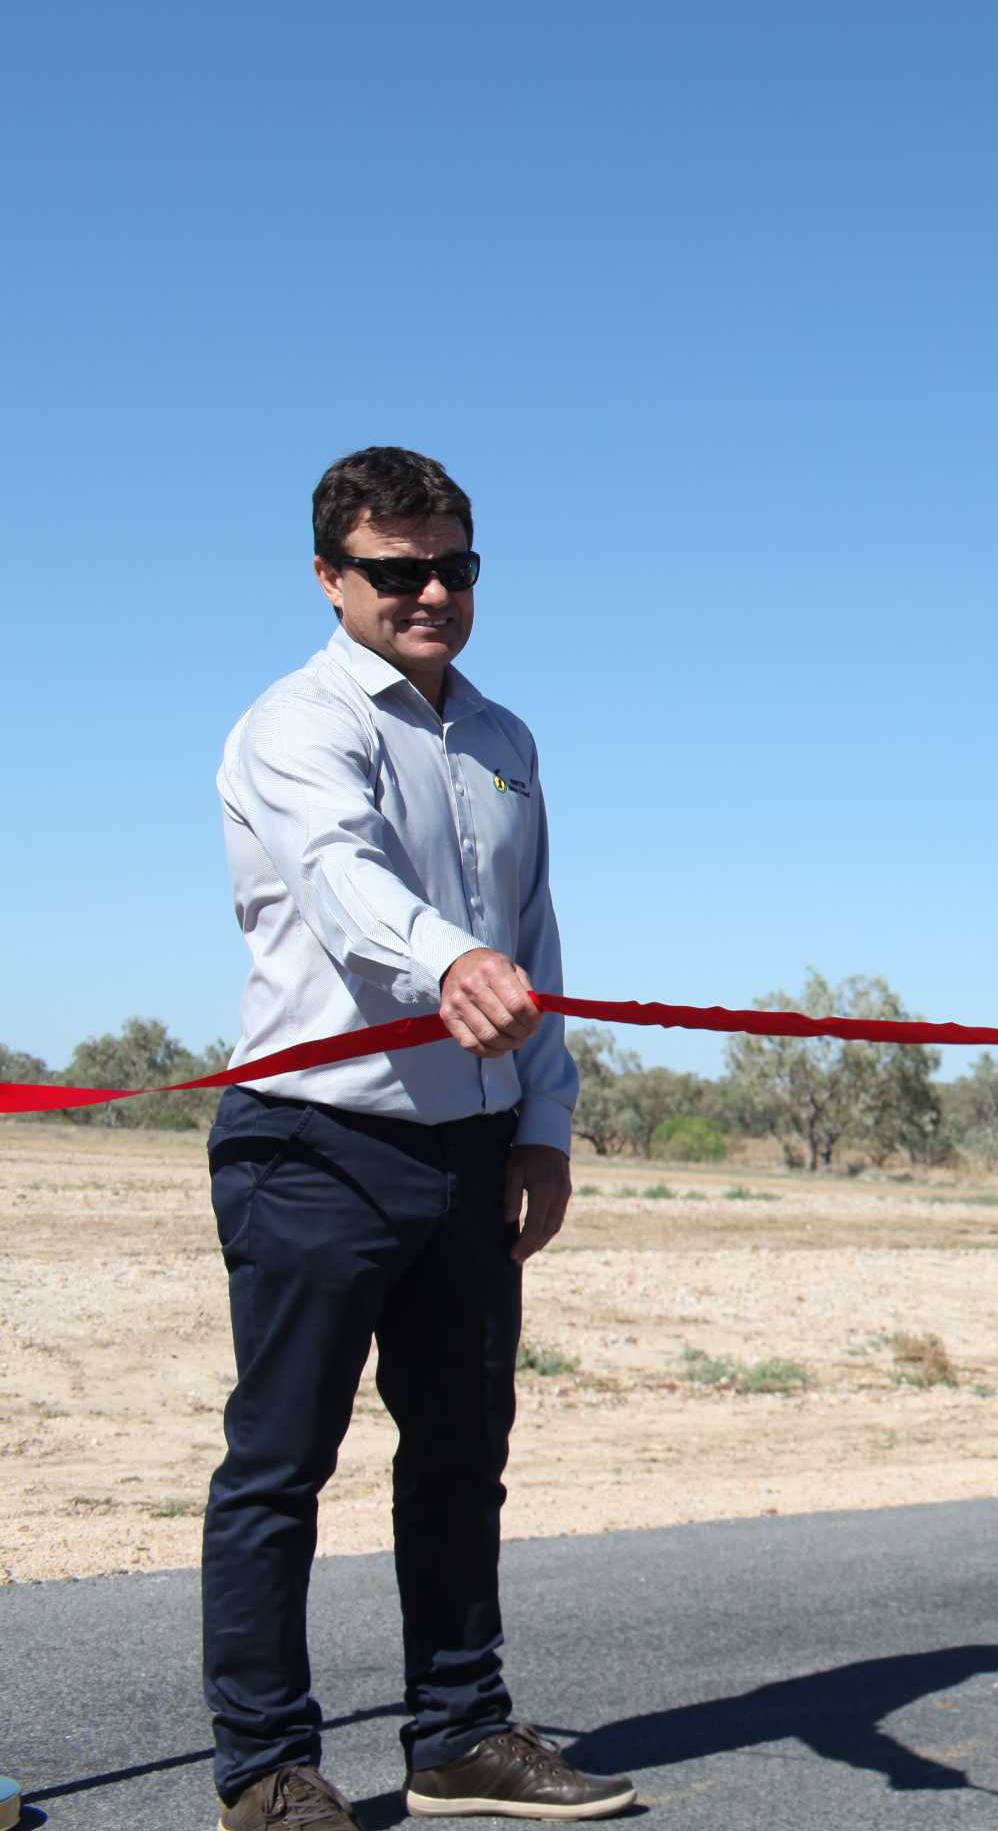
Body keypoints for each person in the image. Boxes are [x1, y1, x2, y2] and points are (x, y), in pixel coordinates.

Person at [204, 448, 633, 1828]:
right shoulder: (295, 725)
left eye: (455, 566)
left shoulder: (505, 741)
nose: (432, 591)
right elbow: (343, 882)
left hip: (467, 1158)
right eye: (398, 572)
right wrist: (446, 960)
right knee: (282, 1464)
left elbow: (535, 945)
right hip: (313, 1147)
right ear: (331, 579)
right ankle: (267, 1769)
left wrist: (544, 1124)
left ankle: (458, 1736)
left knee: (461, 1452)